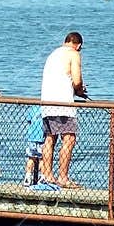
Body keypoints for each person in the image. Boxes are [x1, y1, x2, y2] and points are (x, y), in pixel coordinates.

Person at [39, 31, 88, 188]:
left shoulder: (53, 54)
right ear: (78, 45)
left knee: (49, 139)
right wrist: (80, 90)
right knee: (69, 139)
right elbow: (77, 79)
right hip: (64, 104)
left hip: (46, 103)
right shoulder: (73, 54)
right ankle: (63, 177)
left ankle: (47, 175)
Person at [20, 105, 48, 187]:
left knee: (31, 158)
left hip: (31, 138)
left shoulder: (33, 108)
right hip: (42, 138)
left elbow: (29, 120)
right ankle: (42, 177)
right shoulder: (46, 109)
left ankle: (28, 176)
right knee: (42, 159)